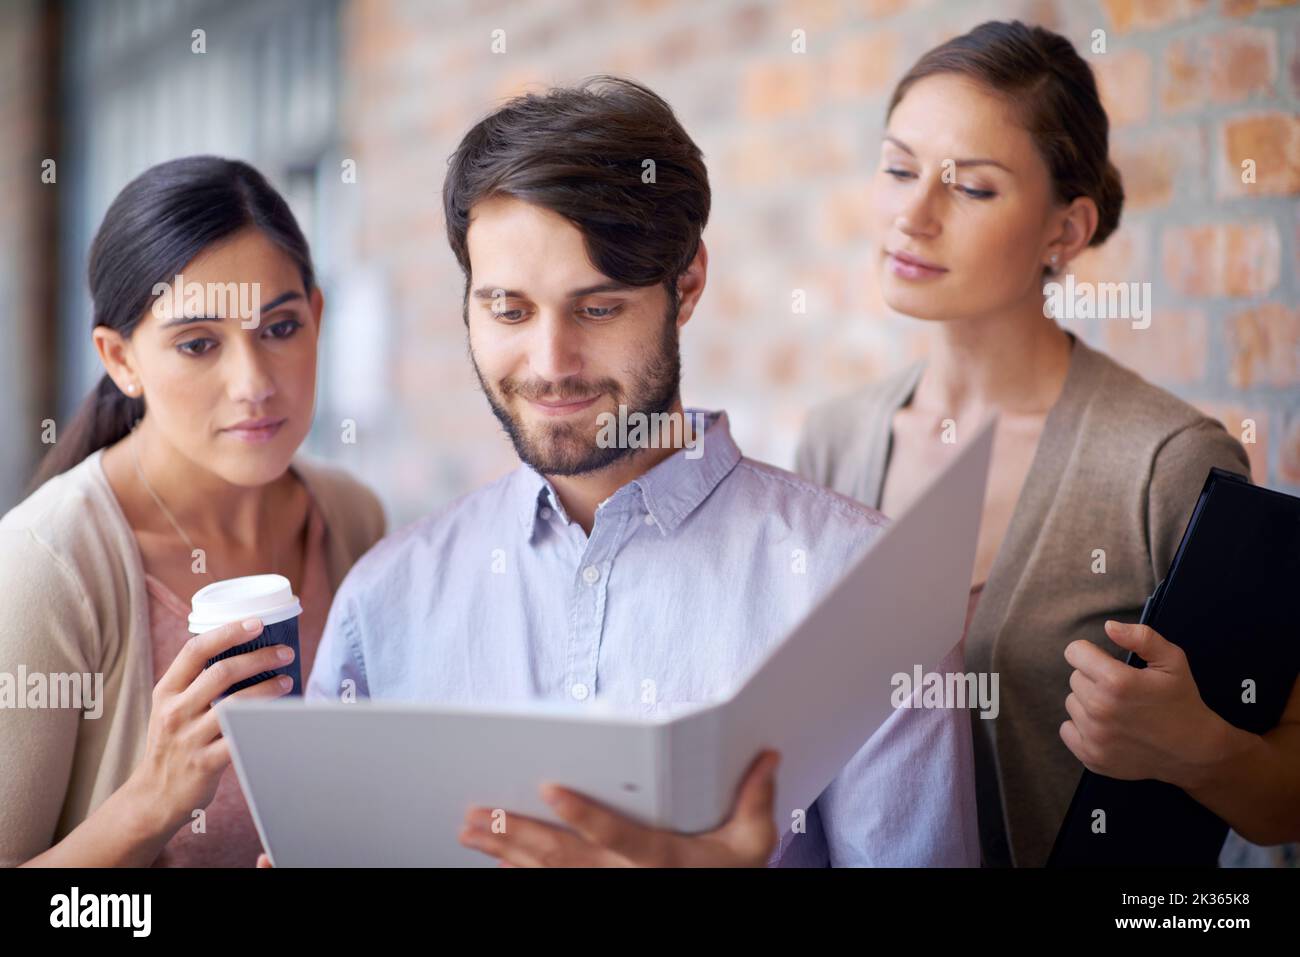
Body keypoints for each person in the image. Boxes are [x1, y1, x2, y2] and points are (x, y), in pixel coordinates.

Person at [307, 77, 980, 867]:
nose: (551, 365)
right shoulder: (382, 604)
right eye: (509, 310)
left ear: (685, 285)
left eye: (597, 308)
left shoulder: (862, 588)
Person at [795, 20, 1299, 866]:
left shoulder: (1167, 461)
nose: (913, 215)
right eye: (897, 168)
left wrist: (1199, 746)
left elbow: (1284, 797)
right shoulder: (834, 440)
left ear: (1065, 232)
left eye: (973, 188)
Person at [0, 156, 386, 867]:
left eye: (280, 327)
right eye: (198, 344)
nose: (255, 384)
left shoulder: (352, 520)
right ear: (121, 359)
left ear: (318, 316)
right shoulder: (45, 566)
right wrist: (148, 803)